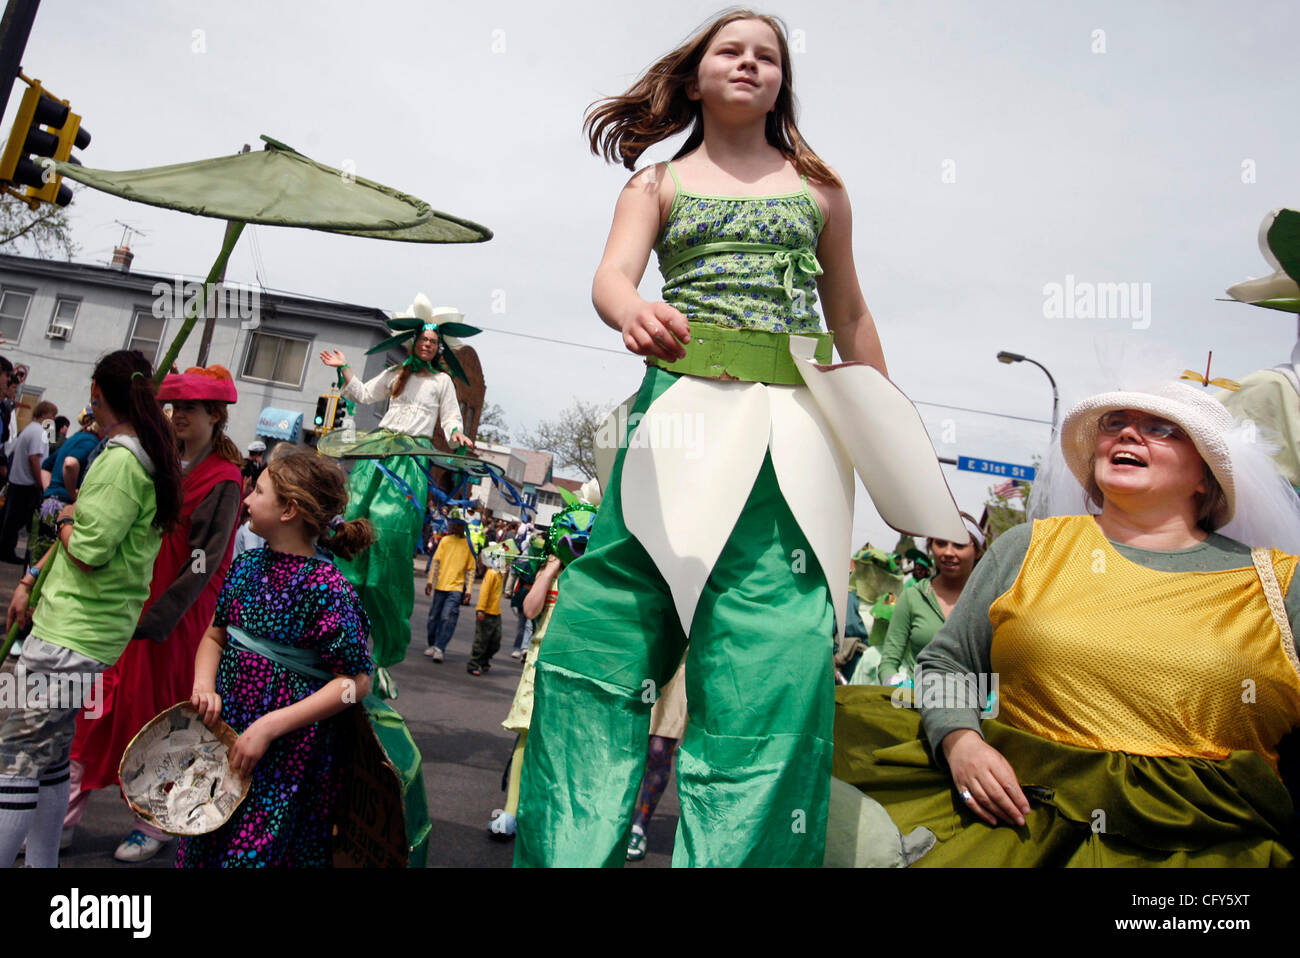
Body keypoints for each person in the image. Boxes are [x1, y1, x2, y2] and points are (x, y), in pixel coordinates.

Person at [514, 10, 947, 868]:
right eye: (731, 50)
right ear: (694, 76)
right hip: (672, 422)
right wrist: (631, 309)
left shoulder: (820, 187)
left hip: (793, 435)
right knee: (603, 639)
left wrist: (896, 450)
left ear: (782, 82)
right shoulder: (655, 185)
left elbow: (851, 314)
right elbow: (611, 275)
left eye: (769, 57)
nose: (751, 64)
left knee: (775, 661)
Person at [834, 381, 1300, 866]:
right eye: (1114, 424)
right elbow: (948, 663)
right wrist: (960, 741)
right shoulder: (1026, 546)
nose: (1127, 436)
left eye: (1161, 429)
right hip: (1013, 827)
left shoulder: (1279, 584)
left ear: (1205, 475)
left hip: (1207, 846)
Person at [0, 351, 182, 868]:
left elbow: (89, 549)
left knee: (15, 761)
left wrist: (60, 515)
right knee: (52, 759)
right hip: (83, 634)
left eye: (93, 390)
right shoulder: (139, 452)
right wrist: (36, 572)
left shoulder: (123, 460)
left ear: (101, 392)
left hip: (70, 636)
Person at [65, 365, 244, 862]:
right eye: (175, 406)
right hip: (129, 603)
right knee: (94, 711)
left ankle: (158, 822)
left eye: (191, 407)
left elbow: (205, 562)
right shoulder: (161, 461)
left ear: (216, 414)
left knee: (160, 720)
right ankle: (63, 816)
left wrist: (161, 617)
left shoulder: (225, 480)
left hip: (179, 620)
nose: (179, 415)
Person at [178, 452, 374, 868]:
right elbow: (215, 636)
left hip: (287, 761)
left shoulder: (327, 588)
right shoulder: (245, 566)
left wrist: (269, 727)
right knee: (204, 845)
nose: (247, 498)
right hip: (224, 742)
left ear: (289, 509)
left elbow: (355, 684)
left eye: (259, 491)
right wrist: (203, 686)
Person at [320, 294, 477, 696]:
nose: (427, 345)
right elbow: (361, 394)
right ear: (412, 342)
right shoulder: (396, 375)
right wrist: (344, 370)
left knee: (388, 530)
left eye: (433, 342)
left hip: (409, 461)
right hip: (380, 453)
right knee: (353, 519)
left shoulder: (443, 382)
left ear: (439, 347)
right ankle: (341, 597)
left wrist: (458, 435)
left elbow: (452, 419)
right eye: (422, 340)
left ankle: (384, 639)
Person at [878, 513, 985, 685]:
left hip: (974, 706)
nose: (948, 552)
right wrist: (894, 682)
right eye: (941, 543)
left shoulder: (991, 602)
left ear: (978, 551)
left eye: (959, 544)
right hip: (918, 704)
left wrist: (993, 696)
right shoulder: (912, 597)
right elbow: (888, 662)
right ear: (931, 547)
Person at [30, 410, 100, 564]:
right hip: (62, 506)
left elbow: (46, 466)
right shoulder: (91, 442)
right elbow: (70, 463)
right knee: (49, 557)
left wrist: (50, 489)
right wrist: (71, 493)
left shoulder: (74, 439)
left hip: (48, 502)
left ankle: (27, 583)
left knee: (37, 552)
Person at [0, 399, 56, 564]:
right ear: (45, 415)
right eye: (52, 416)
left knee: (12, 519)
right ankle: (8, 551)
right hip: (27, 483)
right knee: (20, 520)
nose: (53, 419)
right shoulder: (39, 433)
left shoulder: (29, 429)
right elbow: (34, 458)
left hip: (17, 480)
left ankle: (5, 548)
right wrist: (40, 481)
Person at [424, 509, 475, 662]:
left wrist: (469, 590)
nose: (456, 527)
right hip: (440, 586)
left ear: (463, 526)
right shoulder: (445, 541)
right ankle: (432, 644)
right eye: (454, 524)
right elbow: (435, 562)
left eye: (459, 525)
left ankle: (440, 647)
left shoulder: (468, 545)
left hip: (456, 588)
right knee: (433, 617)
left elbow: (471, 570)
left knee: (447, 617)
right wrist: (429, 581)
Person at [466, 550, 505, 675]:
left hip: (496, 612)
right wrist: (480, 609)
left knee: (495, 641)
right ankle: (473, 664)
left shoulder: (500, 574)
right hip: (486, 612)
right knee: (481, 640)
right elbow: (484, 592)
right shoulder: (491, 574)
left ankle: (485, 659)